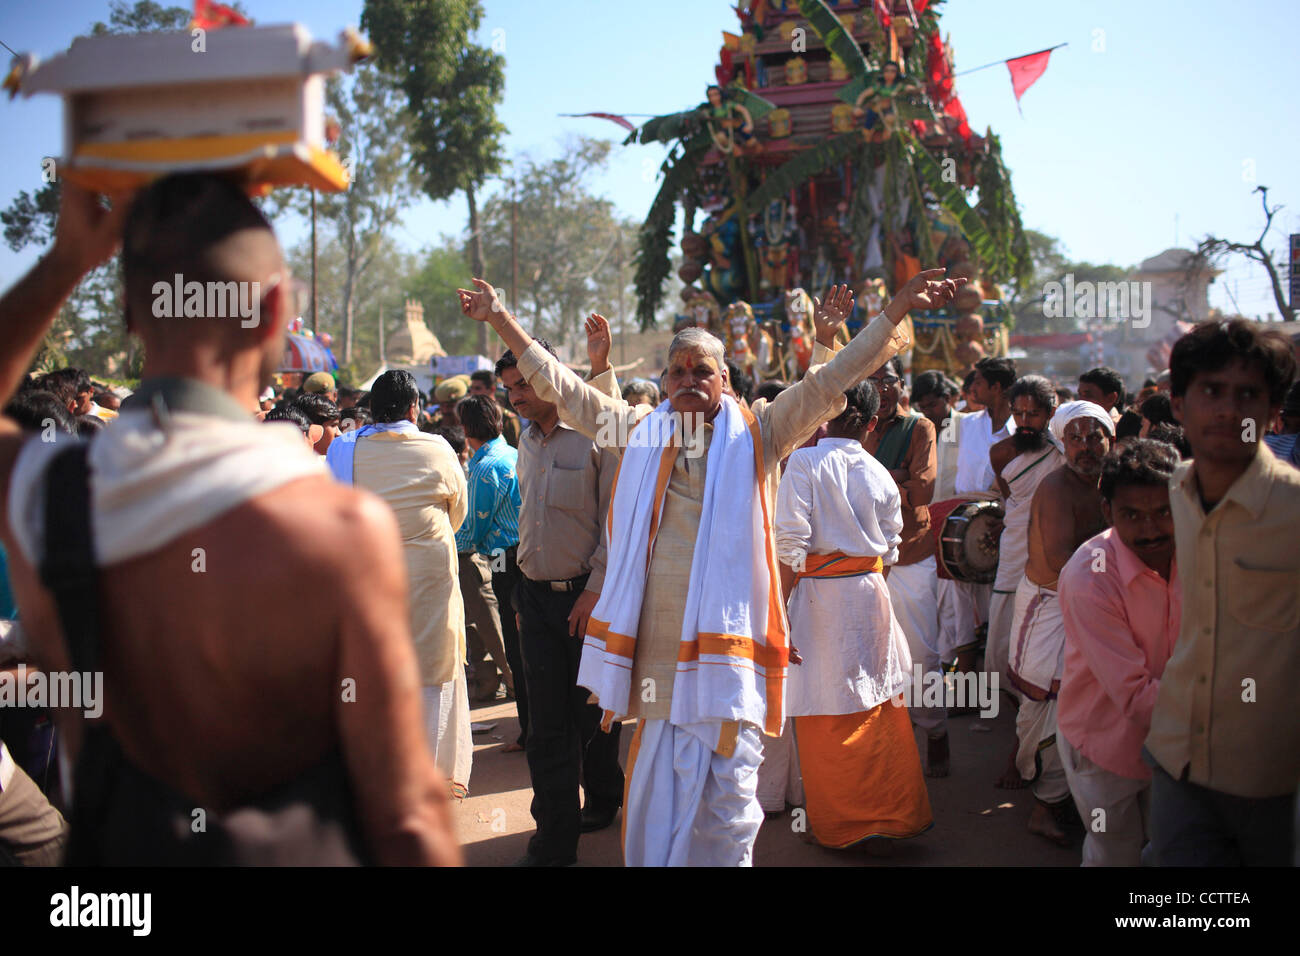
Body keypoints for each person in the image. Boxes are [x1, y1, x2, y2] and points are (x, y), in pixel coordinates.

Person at [0, 175, 458, 865]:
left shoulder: (49, 495)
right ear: (275, 312)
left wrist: (66, 262)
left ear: (129, 313)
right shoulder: (337, 528)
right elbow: (408, 820)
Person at [457, 270, 959, 866]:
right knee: (657, 788)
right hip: (659, 656)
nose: (690, 380)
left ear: (725, 380)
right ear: (666, 382)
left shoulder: (762, 434)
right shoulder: (639, 432)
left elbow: (833, 379)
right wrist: (499, 317)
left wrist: (897, 306)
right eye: (679, 371)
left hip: (730, 654)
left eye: (703, 371)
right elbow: (566, 390)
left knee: (728, 800)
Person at [1146, 319, 1299, 866]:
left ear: (1273, 412)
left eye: (1248, 395)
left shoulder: (1293, 510)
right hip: (1177, 759)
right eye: (1211, 391)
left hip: (1272, 778)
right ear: (1179, 405)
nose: (1229, 411)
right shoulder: (1173, 494)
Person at [776, 380, 932, 847]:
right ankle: (891, 816)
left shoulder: (804, 461)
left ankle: (840, 825)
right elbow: (891, 548)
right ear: (869, 424)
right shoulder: (882, 473)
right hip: (868, 595)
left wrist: (779, 615)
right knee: (878, 703)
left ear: (825, 417)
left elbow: (790, 547)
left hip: (821, 598)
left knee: (824, 705)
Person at [502, 318, 625, 866]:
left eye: (524, 385)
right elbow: (530, 521)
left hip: (587, 601)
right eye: (509, 390)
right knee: (547, 726)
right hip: (535, 597)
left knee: (592, 716)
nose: (517, 398)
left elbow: (616, 521)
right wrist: (521, 591)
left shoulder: (596, 436)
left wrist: (595, 589)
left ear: (550, 378)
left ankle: (603, 799)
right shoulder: (524, 440)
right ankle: (555, 836)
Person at [327, 369, 473, 798]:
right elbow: (458, 511)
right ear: (414, 408)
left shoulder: (343, 449)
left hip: (370, 575)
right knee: (433, 671)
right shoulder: (438, 448)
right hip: (430, 577)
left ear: (372, 408)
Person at [1057, 439, 1181, 866]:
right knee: (1114, 853)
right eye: (1132, 515)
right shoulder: (1089, 576)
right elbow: (1134, 695)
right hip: (1103, 747)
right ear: (1107, 511)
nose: (1150, 530)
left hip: (1180, 744)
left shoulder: (1203, 555)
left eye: (1163, 511)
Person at [1006, 400, 1113, 844]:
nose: (1086, 447)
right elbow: (1061, 560)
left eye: (1095, 437)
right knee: (1049, 705)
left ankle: (1059, 796)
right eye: (1076, 438)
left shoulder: (1116, 483)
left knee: (1086, 705)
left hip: (1094, 603)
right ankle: (1043, 808)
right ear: (1062, 444)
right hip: (1051, 607)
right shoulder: (1055, 487)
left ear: (1111, 440)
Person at [860, 358, 944, 775]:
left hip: (910, 553)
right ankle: (894, 744)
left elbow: (924, 489)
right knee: (876, 652)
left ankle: (935, 732)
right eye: (873, 381)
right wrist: (897, 476)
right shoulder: (858, 428)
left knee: (921, 651)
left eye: (887, 379)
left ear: (900, 384)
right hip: (868, 558)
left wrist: (875, 477)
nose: (882, 388)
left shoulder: (920, 427)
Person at [455, 395, 526, 753]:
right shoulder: (512, 453)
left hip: (501, 557)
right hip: (520, 555)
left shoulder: (485, 469)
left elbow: (472, 526)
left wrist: (451, 544)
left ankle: (525, 717)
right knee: (518, 635)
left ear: (467, 429)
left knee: (509, 636)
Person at [987, 376, 1061, 697]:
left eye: (1032, 415)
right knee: (1007, 606)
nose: (1024, 422)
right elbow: (1011, 499)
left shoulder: (1062, 450)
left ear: (1049, 413)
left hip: (1053, 545)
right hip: (1017, 541)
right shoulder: (1001, 452)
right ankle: (1008, 684)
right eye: (1018, 414)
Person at [470, 368, 522, 448]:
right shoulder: (470, 415)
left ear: (492, 389)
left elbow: (515, 451)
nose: (472, 393)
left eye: (477, 388)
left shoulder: (507, 418)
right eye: (471, 389)